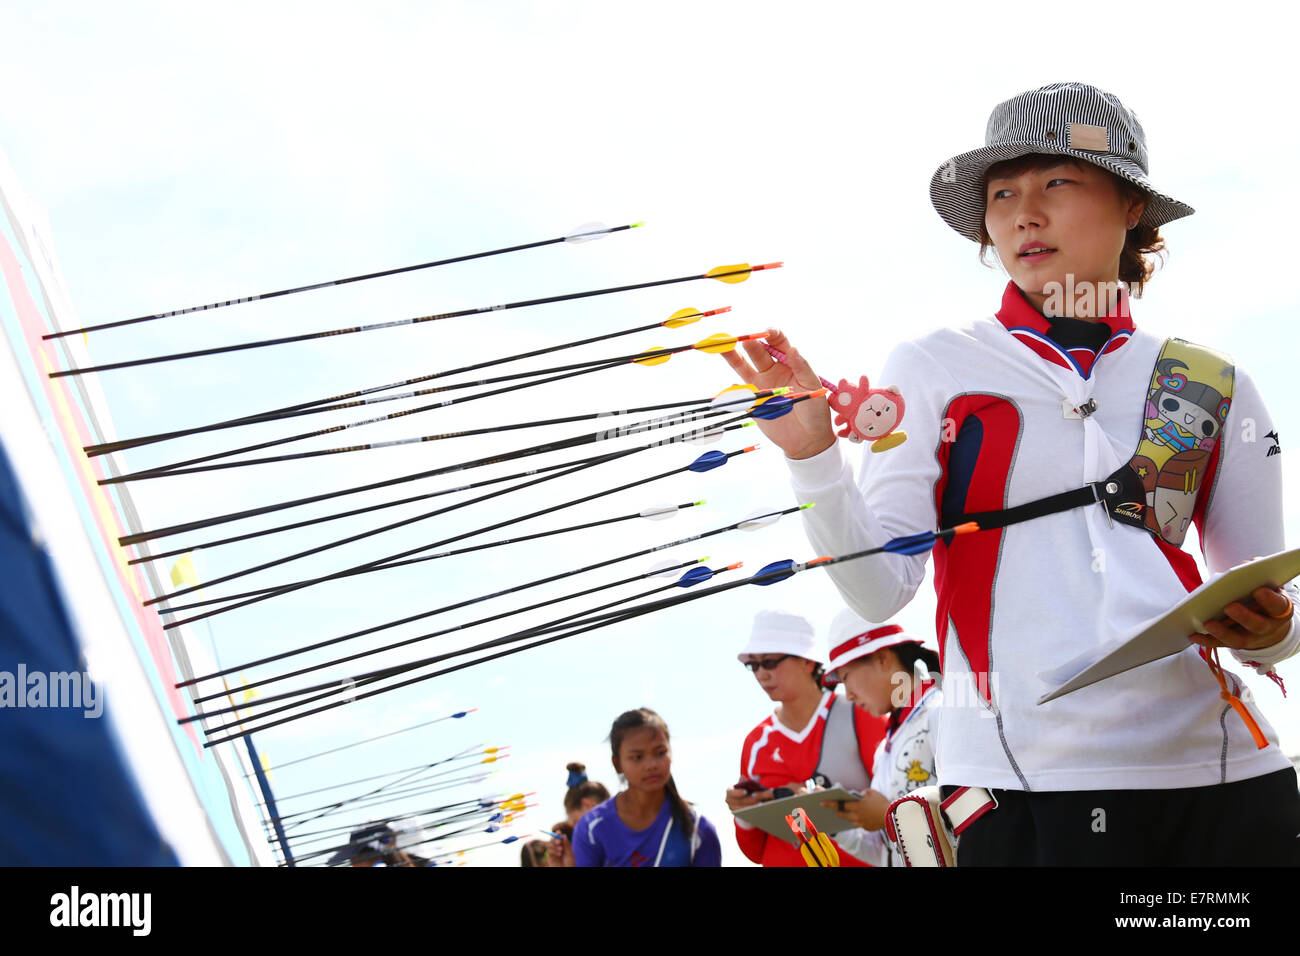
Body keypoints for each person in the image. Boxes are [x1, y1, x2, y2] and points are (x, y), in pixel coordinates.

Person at [721, 81, 1300, 865]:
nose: (1024, 212)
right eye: (1002, 193)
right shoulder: (930, 366)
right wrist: (814, 459)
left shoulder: (1211, 378)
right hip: (1023, 784)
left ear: (1132, 205)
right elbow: (880, 588)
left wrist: (1276, 629)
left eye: (1057, 181)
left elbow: (1264, 590)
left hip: (1226, 770)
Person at [725, 609, 888, 867]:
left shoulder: (859, 712)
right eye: (753, 665)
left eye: (769, 662)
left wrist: (811, 799)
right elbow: (755, 851)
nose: (760, 674)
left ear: (807, 661)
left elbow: (895, 807)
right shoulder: (755, 741)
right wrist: (743, 814)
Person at [818, 610, 941, 867]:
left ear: (883, 658)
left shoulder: (940, 711)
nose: (848, 695)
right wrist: (836, 821)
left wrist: (888, 815)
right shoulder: (885, 747)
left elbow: (974, 815)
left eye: (846, 678)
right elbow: (887, 853)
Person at [572, 708, 721, 867]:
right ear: (617, 763)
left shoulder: (699, 830)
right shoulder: (592, 829)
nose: (651, 765)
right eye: (637, 757)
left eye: (660, 752)